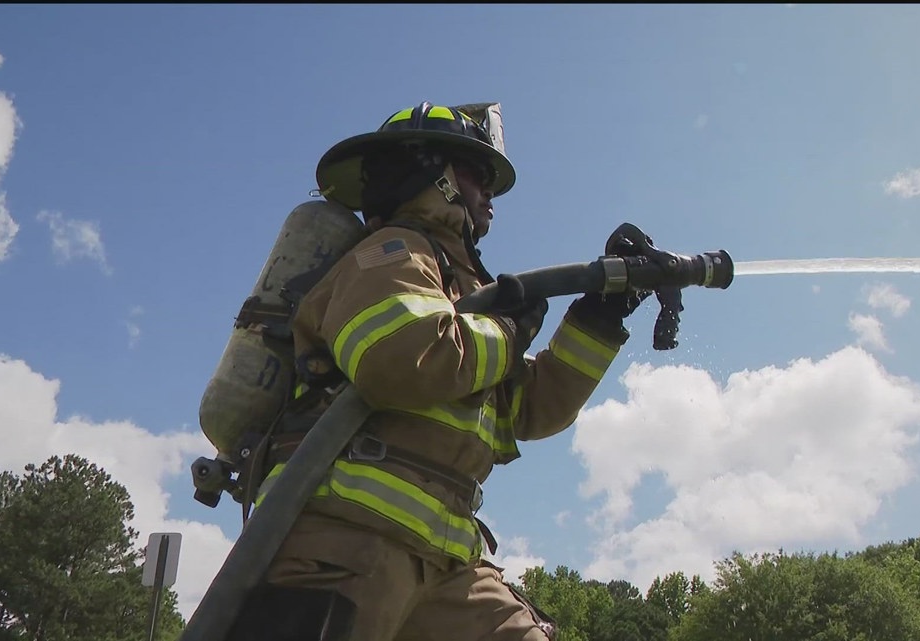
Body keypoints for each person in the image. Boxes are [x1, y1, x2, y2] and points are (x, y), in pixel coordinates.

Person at [227, 101, 650, 640]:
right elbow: (399, 360)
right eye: (478, 173)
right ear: (434, 173)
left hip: (449, 563)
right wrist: (510, 331)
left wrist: (599, 316)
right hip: (342, 547)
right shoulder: (388, 255)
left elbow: (528, 409)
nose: (490, 193)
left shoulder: (460, 289)